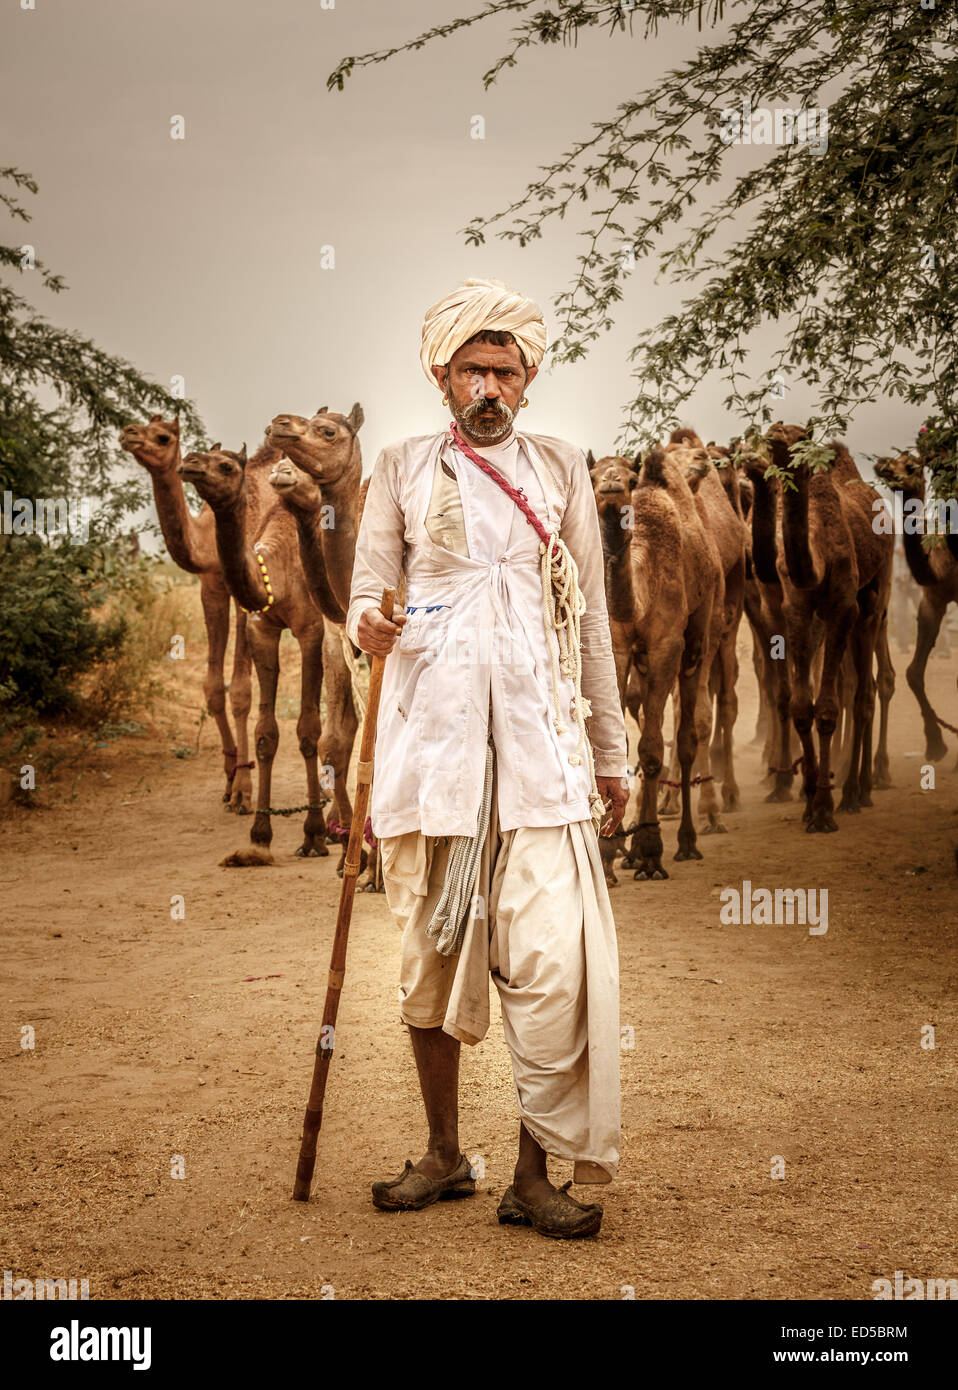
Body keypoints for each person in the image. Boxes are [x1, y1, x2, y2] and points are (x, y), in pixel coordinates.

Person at [345, 277, 629, 1238]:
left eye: (506, 370)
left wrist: (612, 753)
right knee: (430, 965)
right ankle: (440, 1153)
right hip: (438, 763)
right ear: (442, 375)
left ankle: (531, 1177)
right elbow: (367, 595)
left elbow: (589, 617)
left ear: (528, 379)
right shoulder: (398, 468)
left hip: (546, 766)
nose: (491, 385)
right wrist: (371, 625)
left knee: (552, 971)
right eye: (474, 367)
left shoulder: (559, 469)